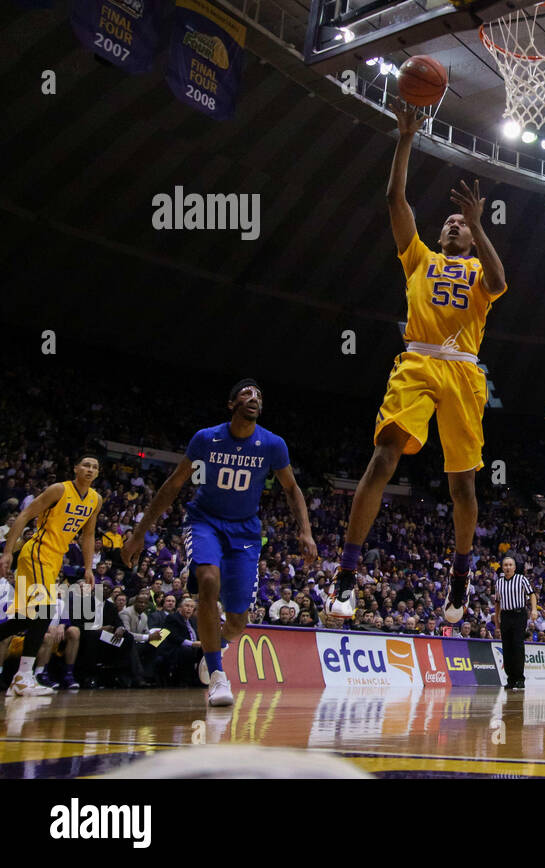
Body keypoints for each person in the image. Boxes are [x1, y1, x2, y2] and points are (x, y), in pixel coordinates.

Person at [326, 103, 507, 626]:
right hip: (418, 362)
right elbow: (394, 198)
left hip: (466, 371)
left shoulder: (478, 268)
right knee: (383, 459)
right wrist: (405, 138)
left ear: (470, 237)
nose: (452, 225)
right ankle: (347, 573)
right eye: (449, 221)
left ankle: (460, 573)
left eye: (460, 224)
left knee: (463, 486)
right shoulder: (419, 258)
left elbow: (498, 283)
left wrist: (480, 224)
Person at [122, 379, 317, 706]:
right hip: (205, 520)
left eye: (259, 395)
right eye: (246, 393)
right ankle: (217, 675)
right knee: (208, 580)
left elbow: (292, 488)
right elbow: (173, 485)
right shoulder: (206, 438)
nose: (254, 397)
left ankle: (214, 647)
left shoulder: (272, 444)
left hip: (245, 531)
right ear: (231, 404)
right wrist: (140, 533)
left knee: (239, 622)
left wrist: (306, 531)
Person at [0, 454, 100, 697]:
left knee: (28, 618)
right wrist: (6, 552)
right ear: (76, 468)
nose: (90, 469)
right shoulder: (59, 490)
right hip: (36, 552)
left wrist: (88, 567)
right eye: (86, 465)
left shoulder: (95, 500)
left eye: (95, 467)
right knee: (44, 611)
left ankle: (23, 678)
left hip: (54, 559)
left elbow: (88, 535)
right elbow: (24, 516)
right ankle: (23, 677)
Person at [493, 555, 535, 689]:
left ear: (515, 567)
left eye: (510, 565)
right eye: (505, 565)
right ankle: (510, 678)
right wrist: (497, 622)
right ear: (502, 567)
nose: (508, 567)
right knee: (507, 647)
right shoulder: (498, 582)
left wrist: (534, 609)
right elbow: (497, 603)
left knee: (517, 645)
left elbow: (532, 594)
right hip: (505, 615)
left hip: (519, 614)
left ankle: (520, 678)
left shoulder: (521, 579)